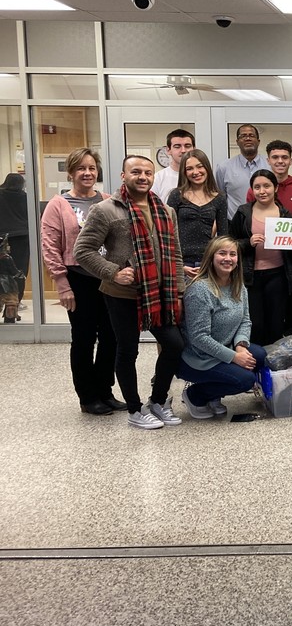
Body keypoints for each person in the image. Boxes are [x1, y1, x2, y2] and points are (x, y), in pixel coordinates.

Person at [74, 155, 185, 430]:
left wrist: (179, 289)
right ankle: (135, 409)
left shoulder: (166, 210)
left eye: (148, 172)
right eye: (136, 172)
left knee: (174, 345)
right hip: (121, 294)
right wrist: (113, 271)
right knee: (127, 351)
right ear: (123, 175)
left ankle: (157, 401)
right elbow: (82, 251)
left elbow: (176, 253)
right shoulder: (105, 210)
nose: (143, 177)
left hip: (160, 293)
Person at [40, 148, 123, 415]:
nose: (87, 173)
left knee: (112, 337)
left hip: (108, 278)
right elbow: (50, 247)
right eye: (81, 169)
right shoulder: (58, 204)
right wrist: (62, 284)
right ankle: (87, 397)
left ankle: (105, 391)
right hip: (78, 279)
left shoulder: (109, 200)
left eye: (91, 168)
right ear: (71, 173)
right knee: (84, 338)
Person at [177, 236, 266, 419]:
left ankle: (214, 394)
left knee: (260, 356)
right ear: (211, 257)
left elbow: (245, 321)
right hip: (198, 357)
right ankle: (196, 396)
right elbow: (199, 338)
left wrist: (241, 345)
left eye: (232, 254)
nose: (228, 258)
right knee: (245, 380)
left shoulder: (238, 286)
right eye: (222, 253)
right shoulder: (200, 290)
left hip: (226, 347)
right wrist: (234, 357)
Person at [231, 169, 292, 346]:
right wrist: (248, 242)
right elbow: (230, 242)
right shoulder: (244, 212)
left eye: (266, 186)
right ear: (252, 190)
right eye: (257, 187)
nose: (262, 191)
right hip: (250, 278)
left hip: (278, 275)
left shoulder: (285, 215)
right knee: (255, 324)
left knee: (276, 324)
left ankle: (273, 365)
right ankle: (256, 362)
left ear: (275, 188)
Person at [245, 140, 292, 333]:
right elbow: (248, 221)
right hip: (263, 264)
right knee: (263, 314)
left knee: (290, 310)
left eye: (284, 157)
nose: (280, 161)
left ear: (291, 160)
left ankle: (288, 353)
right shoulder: (256, 190)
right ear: (268, 160)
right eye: (275, 157)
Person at [167, 148, 228, 280]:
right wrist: (179, 266)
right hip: (181, 263)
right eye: (189, 168)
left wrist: (215, 263)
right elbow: (167, 234)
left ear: (206, 167)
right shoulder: (176, 195)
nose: (196, 172)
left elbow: (223, 236)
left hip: (208, 264)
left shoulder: (220, 198)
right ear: (184, 172)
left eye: (200, 166)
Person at [216, 124, 266, 218]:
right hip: (234, 224)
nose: (248, 138)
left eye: (251, 135)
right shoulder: (224, 167)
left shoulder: (269, 165)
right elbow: (220, 199)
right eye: (243, 136)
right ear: (237, 142)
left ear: (258, 141)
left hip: (264, 222)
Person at [0, 173, 29, 311]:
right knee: (19, 271)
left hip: (1, 238)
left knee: (2, 272)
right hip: (22, 237)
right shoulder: (25, 197)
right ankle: (13, 306)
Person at [151, 129, 195, 200]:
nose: (183, 150)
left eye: (187, 146)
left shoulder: (200, 176)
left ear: (194, 149)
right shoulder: (157, 179)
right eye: (177, 147)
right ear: (168, 150)